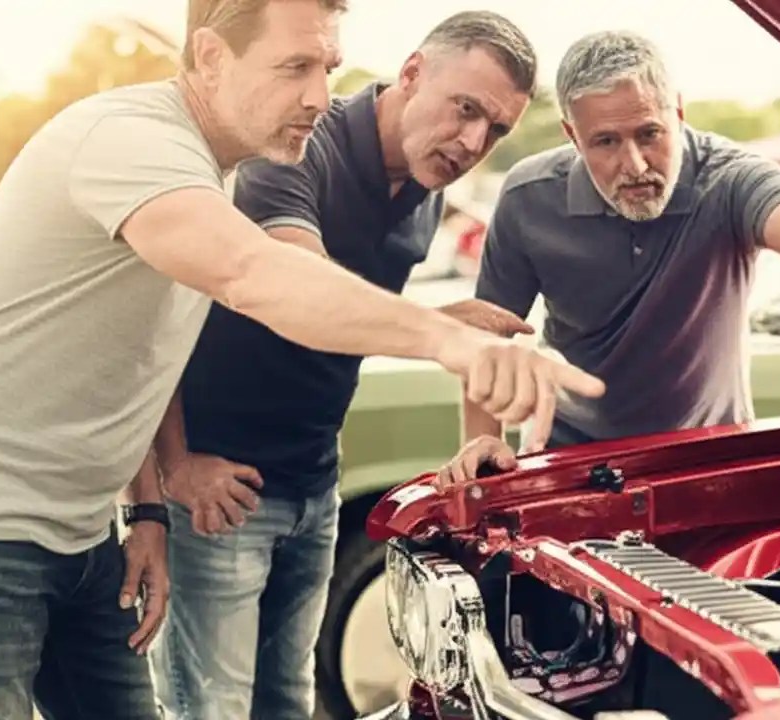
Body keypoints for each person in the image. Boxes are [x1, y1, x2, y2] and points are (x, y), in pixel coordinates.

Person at [0, 1, 600, 718]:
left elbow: (144, 354)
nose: (319, 94)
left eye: (327, 67)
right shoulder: (130, 141)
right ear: (212, 58)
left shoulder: (216, 167)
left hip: (86, 534)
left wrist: (146, 506)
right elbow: (260, 275)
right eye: (295, 67)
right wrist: (450, 338)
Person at [146, 11, 537, 719]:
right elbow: (301, 285)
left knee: (290, 703)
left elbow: (356, 323)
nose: (474, 142)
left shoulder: (428, 188)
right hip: (218, 490)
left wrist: (479, 425)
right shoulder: (294, 145)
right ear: (413, 72)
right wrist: (176, 468)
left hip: (315, 483)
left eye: (498, 130)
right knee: (210, 709)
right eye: (466, 109)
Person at [437, 30, 780, 486]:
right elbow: (489, 337)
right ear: (573, 136)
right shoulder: (528, 197)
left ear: (677, 114)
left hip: (707, 466)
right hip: (575, 467)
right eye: (606, 142)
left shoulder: (729, 179)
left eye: (649, 134)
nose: (633, 165)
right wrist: (484, 441)